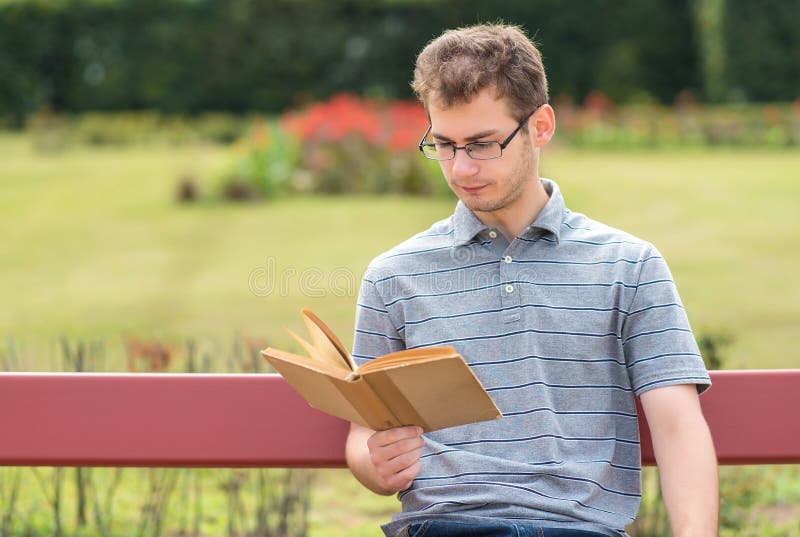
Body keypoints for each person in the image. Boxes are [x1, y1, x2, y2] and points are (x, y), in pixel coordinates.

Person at [345, 23, 718, 537]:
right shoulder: (394, 276)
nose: (460, 168)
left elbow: (678, 428)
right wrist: (375, 464)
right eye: (444, 144)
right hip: (447, 526)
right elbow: (364, 433)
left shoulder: (629, 266)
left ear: (540, 126)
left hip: (581, 528)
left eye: (482, 144)